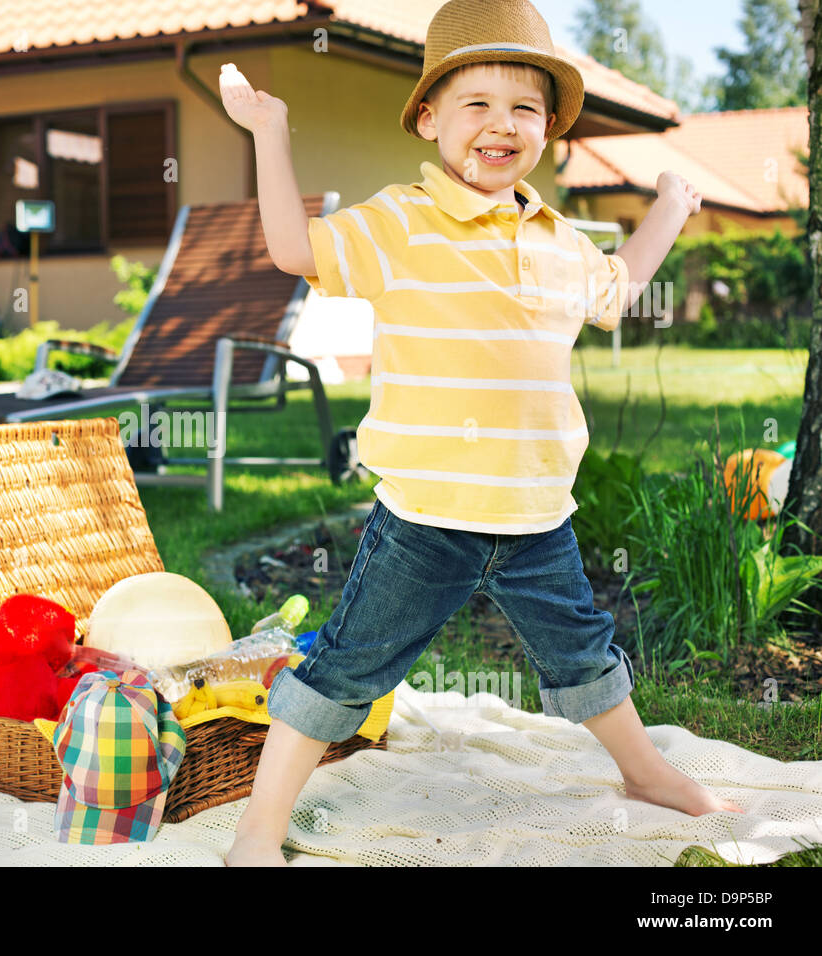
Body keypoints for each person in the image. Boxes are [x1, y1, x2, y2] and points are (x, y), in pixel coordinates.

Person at [216, 0, 744, 868]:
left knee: (584, 656)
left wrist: (673, 208)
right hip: (425, 516)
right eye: (477, 104)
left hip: (537, 515)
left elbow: (617, 288)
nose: (502, 124)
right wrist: (270, 132)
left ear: (546, 131)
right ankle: (256, 831)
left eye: (525, 108)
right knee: (346, 670)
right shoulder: (400, 222)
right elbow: (288, 248)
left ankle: (645, 774)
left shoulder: (558, 237)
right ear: (428, 119)